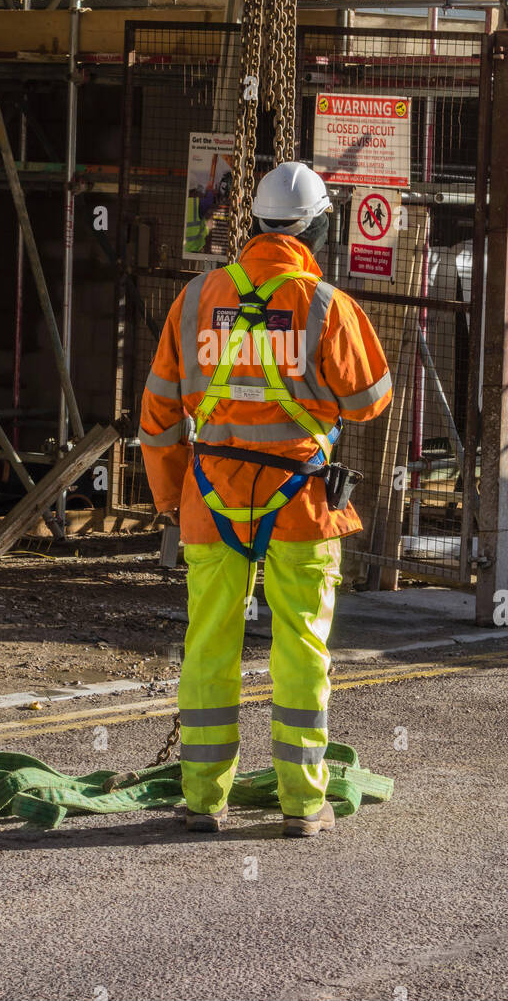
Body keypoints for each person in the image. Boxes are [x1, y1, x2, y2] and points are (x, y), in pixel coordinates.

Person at [140, 161, 391, 837]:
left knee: (208, 647)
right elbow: (371, 400)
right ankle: (303, 806)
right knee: (302, 651)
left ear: (255, 221)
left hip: (210, 501)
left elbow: (158, 415)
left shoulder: (195, 299)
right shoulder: (326, 305)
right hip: (300, 504)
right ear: (315, 229)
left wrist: (170, 497)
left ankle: (202, 801)